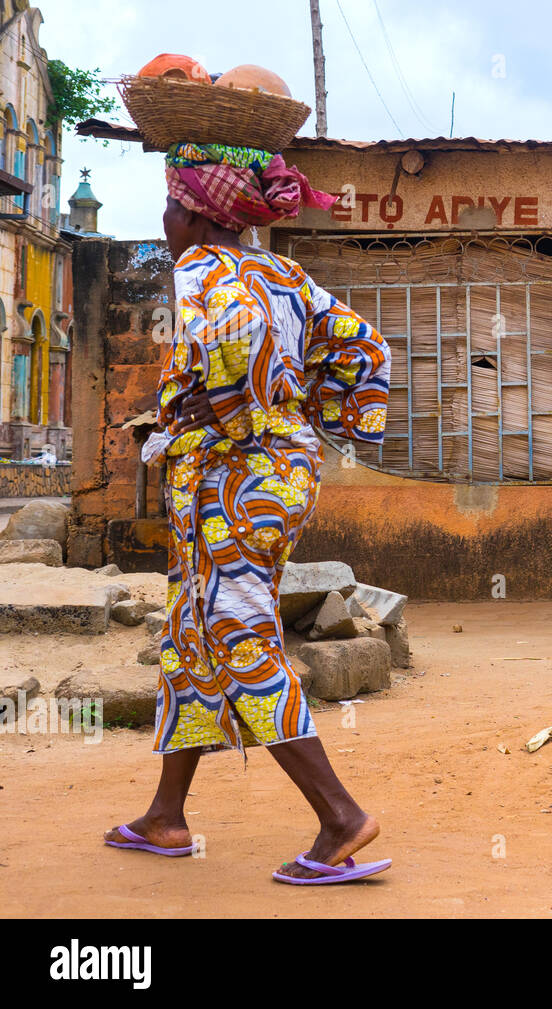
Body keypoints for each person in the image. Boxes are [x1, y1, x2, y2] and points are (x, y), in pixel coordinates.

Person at [102, 140, 393, 884]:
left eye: (170, 207)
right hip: (275, 471)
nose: (164, 221)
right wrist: (315, 418)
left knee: (233, 625)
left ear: (195, 216)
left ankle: (339, 816)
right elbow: (365, 350)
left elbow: (237, 340)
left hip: (236, 478)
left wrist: (234, 409)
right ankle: (166, 816)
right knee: (192, 632)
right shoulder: (282, 272)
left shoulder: (202, 268)